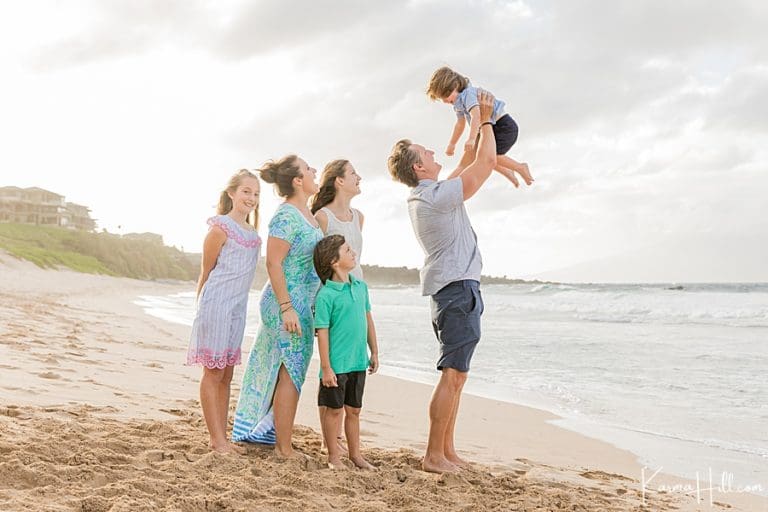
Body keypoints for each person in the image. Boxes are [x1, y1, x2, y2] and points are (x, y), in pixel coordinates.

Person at [387, 89, 497, 473]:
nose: (434, 153)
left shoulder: (429, 195)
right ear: (418, 167)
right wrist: (485, 118)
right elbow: (485, 163)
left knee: (458, 376)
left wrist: (470, 133)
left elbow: (467, 163)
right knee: (452, 376)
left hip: (455, 290)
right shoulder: (434, 197)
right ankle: (434, 455)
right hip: (456, 291)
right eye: (426, 153)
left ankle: (447, 451)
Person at [232, 155, 323, 459]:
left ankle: (271, 436)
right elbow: (273, 262)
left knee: (289, 369)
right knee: (291, 370)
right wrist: (287, 307)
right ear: (297, 180)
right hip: (286, 302)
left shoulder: (307, 214)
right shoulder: (286, 215)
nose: (314, 171)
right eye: (308, 169)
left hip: (302, 302)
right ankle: (284, 448)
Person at [186, 169, 262, 454]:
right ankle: (217, 440)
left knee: (227, 375)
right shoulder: (219, 228)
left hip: (237, 310)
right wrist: (200, 308)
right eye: (246, 191)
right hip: (216, 306)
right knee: (213, 372)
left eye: (256, 194)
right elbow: (206, 272)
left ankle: (222, 438)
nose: (251, 198)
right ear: (231, 193)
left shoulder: (253, 235)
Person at [311, 159, 366, 454]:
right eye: (353, 173)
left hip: (356, 294)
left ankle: (340, 439)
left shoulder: (359, 217)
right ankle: (328, 440)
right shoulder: (321, 217)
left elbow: (354, 257)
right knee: (331, 369)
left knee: (350, 368)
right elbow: (318, 261)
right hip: (331, 299)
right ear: (339, 181)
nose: (359, 177)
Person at [312, 234, 379, 470]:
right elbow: (322, 333)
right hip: (336, 365)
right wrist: (326, 368)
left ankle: (356, 456)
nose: (353, 253)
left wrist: (374, 352)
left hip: (358, 362)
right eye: (348, 250)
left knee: (354, 410)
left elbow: (368, 320)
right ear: (333, 261)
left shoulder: (360, 287)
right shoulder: (326, 296)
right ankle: (333, 457)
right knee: (334, 411)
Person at [426, 65, 533, 188]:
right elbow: (460, 124)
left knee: (488, 155)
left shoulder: (468, 94)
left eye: (445, 96)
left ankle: (519, 167)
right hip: (490, 127)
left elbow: (476, 115)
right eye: (441, 98)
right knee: (483, 155)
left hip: (503, 127)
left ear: (455, 86)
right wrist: (452, 143)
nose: (444, 101)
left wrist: (472, 138)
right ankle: (508, 171)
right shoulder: (457, 102)